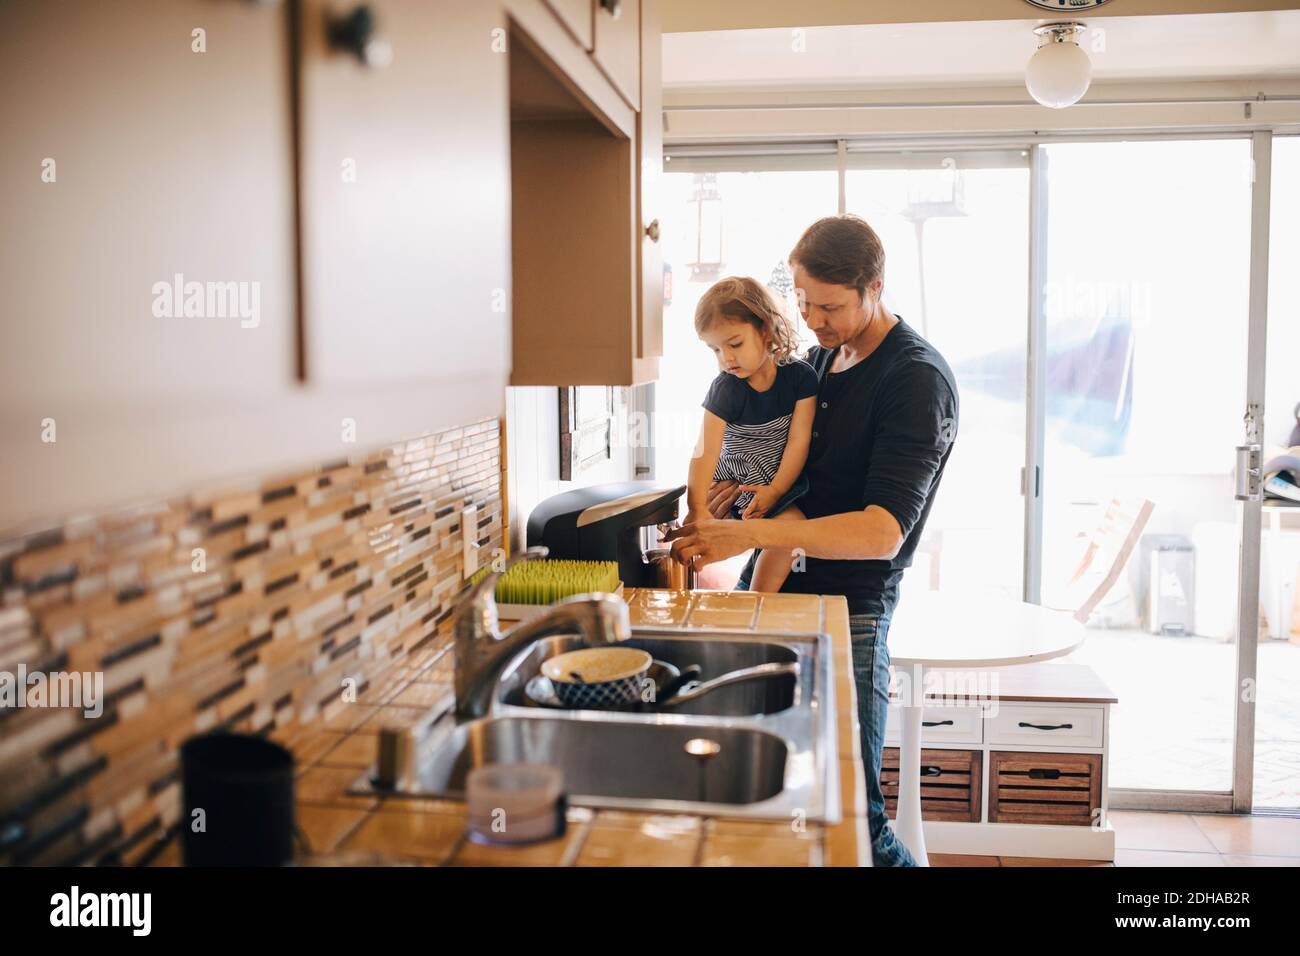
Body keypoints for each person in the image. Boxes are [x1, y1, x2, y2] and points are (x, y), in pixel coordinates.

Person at [667, 215, 959, 867]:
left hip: (849, 612)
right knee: (773, 795)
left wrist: (745, 531)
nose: (815, 321)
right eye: (803, 304)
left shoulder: (914, 381)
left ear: (874, 288)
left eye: (829, 307)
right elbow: (780, 449)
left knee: (856, 817)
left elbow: (882, 532)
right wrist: (732, 489)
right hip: (772, 590)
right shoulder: (821, 358)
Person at [686, 276, 819, 594]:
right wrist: (696, 508)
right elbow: (704, 451)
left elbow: (799, 441)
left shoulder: (801, 377)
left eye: (734, 344)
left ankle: (758, 597)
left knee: (791, 529)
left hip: (775, 483)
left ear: (767, 330)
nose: (725, 358)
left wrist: (774, 491)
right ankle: (755, 601)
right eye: (715, 349)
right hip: (737, 482)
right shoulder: (726, 388)